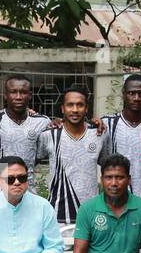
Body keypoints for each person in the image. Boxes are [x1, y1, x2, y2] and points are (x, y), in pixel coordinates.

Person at [36, 85, 103, 227]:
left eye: (80, 105)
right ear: (62, 108)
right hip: (58, 217)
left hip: (92, 215)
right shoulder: (49, 135)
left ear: (86, 108)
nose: (75, 110)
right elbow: (31, 161)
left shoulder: (99, 134)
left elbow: (109, 168)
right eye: (70, 105)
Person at [100, 73, 141, 203]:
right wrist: (59, 122)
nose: (136, 98)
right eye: (131, 93)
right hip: (114, 204)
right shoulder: (107, 125)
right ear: (123, 94)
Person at [0, 74, 52, 189]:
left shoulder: (42, 122)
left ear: (30, 95)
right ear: (5, 95)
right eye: (13, 92)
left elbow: (38, 155)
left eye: (23, 92)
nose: (18, 97)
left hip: (27, 190)